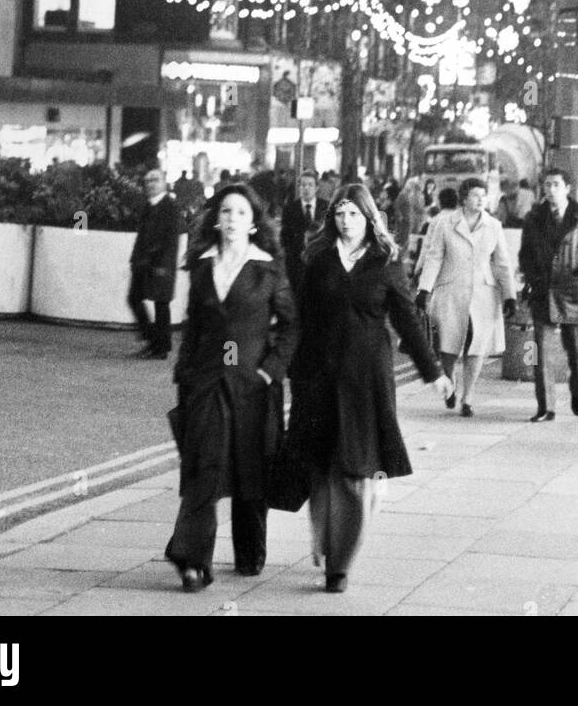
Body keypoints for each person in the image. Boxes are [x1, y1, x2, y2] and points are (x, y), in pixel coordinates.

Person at [286, 183, 453, 592]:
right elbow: (299, 319)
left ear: (369, 218)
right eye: (339, 214)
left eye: (353, 214)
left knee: (354, 472)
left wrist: (433, 372)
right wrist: (285, 369)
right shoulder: (318, 260)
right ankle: (326, 540)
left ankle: (339, 566)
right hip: (318, 378)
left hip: (365, 382)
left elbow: (408, 323)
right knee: (320, 469)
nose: (346, 221)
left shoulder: (385, 263)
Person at [164, 185, 297, 591]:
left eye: (241, 212)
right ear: (217, 219)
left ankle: (249, 552)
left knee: (251, 469)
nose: (232, 219)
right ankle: (192, 560)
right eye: (226, 211)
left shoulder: (269, 269)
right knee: (204, 467)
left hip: (253, 384)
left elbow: (292, 326)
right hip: (207, 380)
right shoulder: (202, 266)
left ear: (253, 223)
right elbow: (193, 326)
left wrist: (270, 371)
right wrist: (185, 376)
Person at [415, 176, 516, 418]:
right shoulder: (445, 223)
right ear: (463, 198)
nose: (481, 200)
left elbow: (502, 263)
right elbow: (435, 257)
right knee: (448, 347)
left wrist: (509, 295)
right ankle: (449, 384)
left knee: (477, 346)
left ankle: (468, 398)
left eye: (484, 195)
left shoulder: (493, 226)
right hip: (451, 290)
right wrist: (424, 289)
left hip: (484, 293)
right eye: (475, 195)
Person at [519, 169, 578, 422]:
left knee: (575, 352)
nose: (551, 189)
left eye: (556, 184)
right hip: (543, 291)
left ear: (568, 188)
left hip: (575, 292)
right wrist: (532, 277)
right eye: (547, 185)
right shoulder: (533, 217)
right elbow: (525, 254)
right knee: (538, 352)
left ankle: (577, 389)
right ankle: (545, 406)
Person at [127, 168, 181, 360]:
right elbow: (141, 236)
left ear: (165, 182)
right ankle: (153, 340)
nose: (150, 184)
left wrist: (160, 263)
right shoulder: (148, 206)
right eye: (148, 181)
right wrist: (135, 259)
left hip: (161, 264)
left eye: (155, 180)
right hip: (143, 262)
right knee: (134, 298)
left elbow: (170, 239)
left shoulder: (171, 206)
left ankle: (160, 348)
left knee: (161, 304)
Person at [279, 169, 327, 297]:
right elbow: (285, 237)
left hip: (320, 262)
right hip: (297, 262)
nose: (306, 188)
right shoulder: (290, 209)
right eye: (303, 185)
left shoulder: (325, 207)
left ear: (316, 188)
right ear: (299, 187)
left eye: (310, 185)